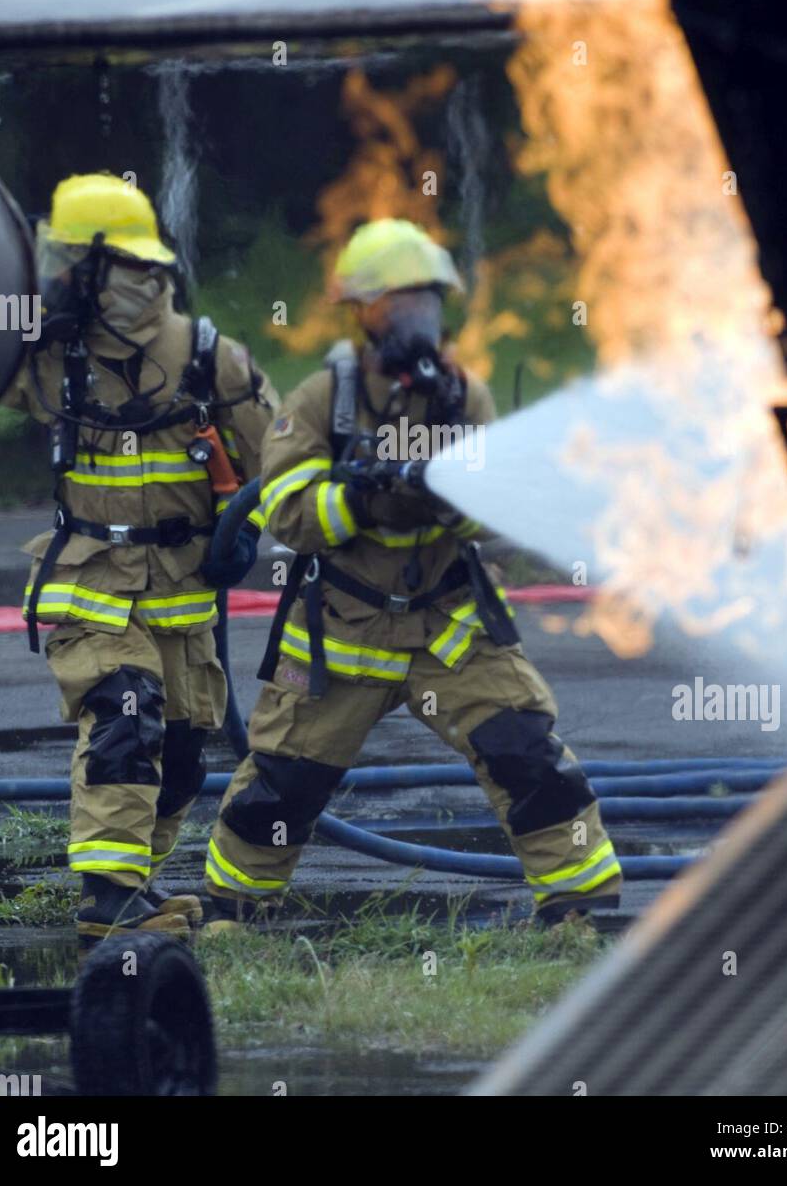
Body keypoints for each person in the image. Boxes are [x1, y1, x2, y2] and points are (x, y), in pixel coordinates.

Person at [204, 218, 621, 930]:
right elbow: (286, 511)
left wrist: (451, 496)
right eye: (401, 307)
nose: (417, 322)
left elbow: (502, 510)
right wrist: (362, 498)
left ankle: (582, 909)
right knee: (282, 783)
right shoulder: (318, 403)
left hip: (447, 626)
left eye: (426, 305)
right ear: (366, 314)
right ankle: (232, 914)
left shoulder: (464, 399)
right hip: (345, 629)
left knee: (526, 753)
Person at [6, 172, 277, 951]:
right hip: (89, 583)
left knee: (184, 757)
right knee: (125, 718)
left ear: (106, 266)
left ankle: (136, 880)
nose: (53, 273)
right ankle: (110, 902)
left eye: (65, 259)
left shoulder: (206, 357)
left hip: (183, 596)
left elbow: (285, 459)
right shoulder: (47, 353)